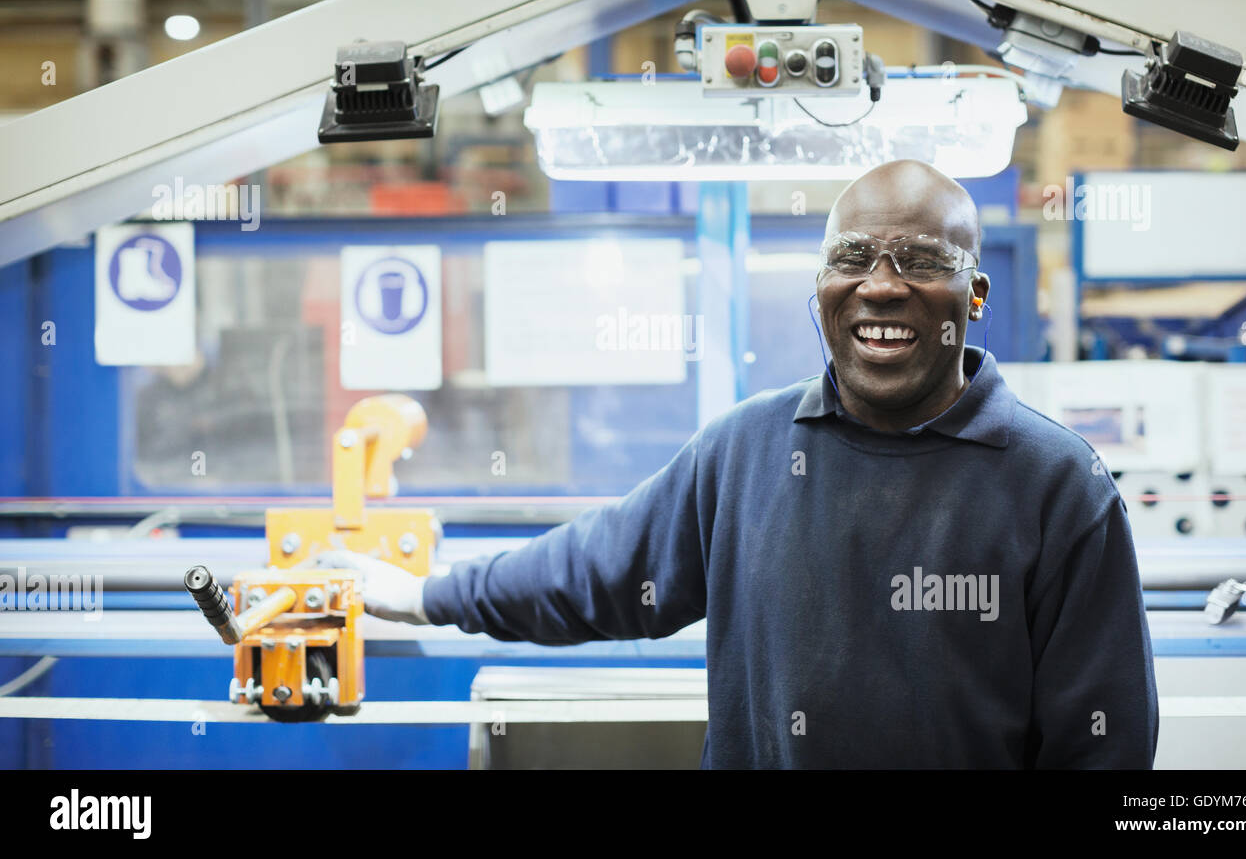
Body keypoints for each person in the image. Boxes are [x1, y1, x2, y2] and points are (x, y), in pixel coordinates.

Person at [321, 159, 1159, 769]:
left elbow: (1106, 746)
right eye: (852, 258)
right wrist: (426, 595)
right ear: (821, 286)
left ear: (974, 296)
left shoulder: (1055, 484)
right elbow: (601, 569)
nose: (881, 286)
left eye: (924, 262)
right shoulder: (747, 451)